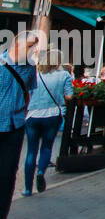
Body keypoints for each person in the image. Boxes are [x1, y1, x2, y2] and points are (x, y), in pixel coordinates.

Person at [1, 31, 39, 219]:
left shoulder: (30, 68)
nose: (33, 51)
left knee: (7, 176)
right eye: (30, 47)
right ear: (16, 46)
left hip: (14, 128)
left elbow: (28, 93)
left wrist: (21, 114)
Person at [23, 48, 72, 196]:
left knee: (31, 151)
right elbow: (69, 96)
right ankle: (40, 172)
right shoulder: (64, 75)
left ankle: (26, 189)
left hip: (33, 115)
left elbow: (28, 95)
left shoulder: (35, 76)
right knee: (46, 147)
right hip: (53, 114)